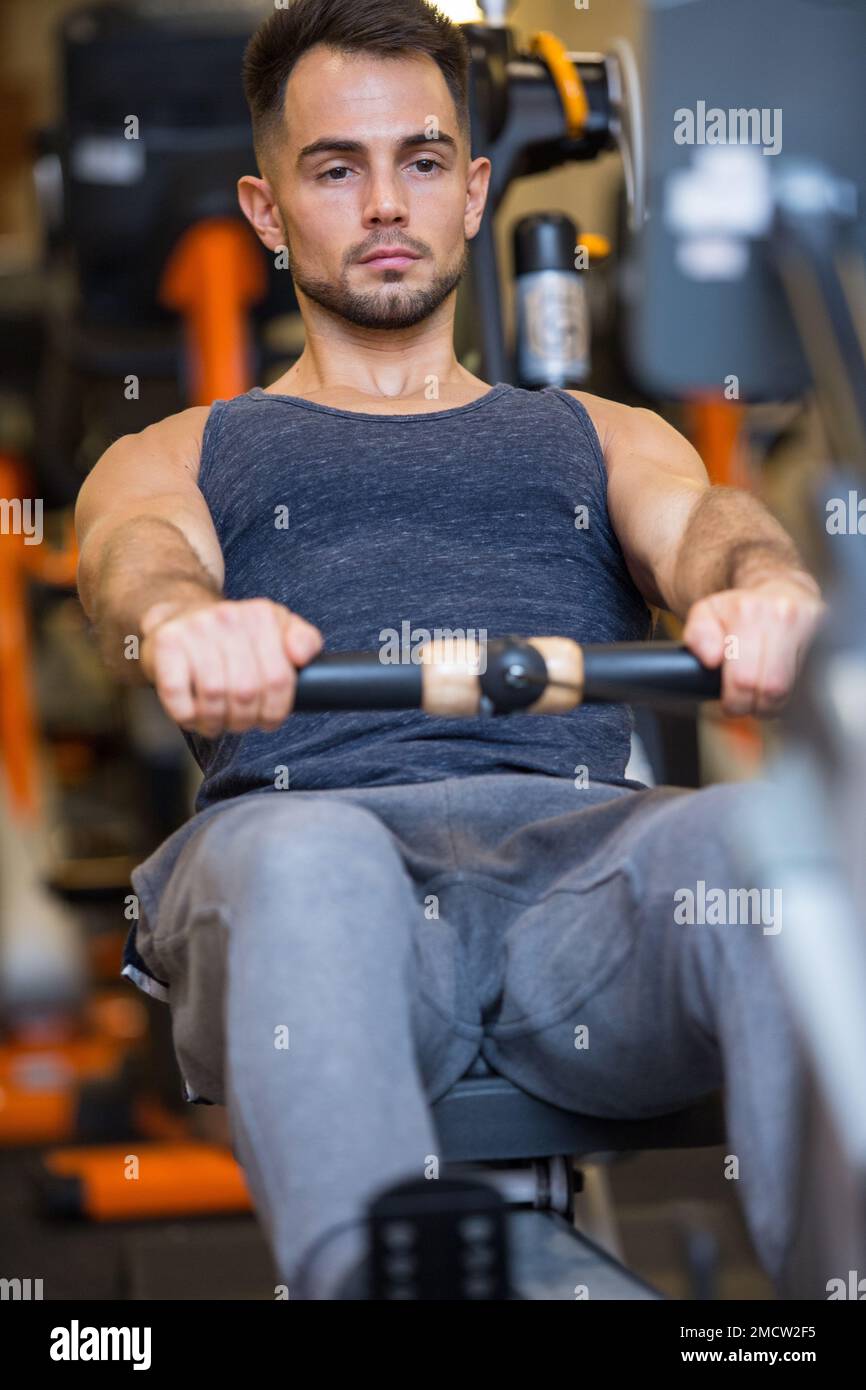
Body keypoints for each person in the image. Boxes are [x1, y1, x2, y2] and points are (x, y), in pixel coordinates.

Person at [74, 0, 825, 1299]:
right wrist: (187, 620)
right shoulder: (184, 445)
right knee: (315, 855)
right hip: (314, 881)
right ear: (266, 210)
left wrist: (757, 586)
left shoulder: (593, 431)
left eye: (420, 161)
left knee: (763, 843)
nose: (382, 201)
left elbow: (704, 524)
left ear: (473, 191)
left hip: (581, 900)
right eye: (333, 167)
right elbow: (135, 554)